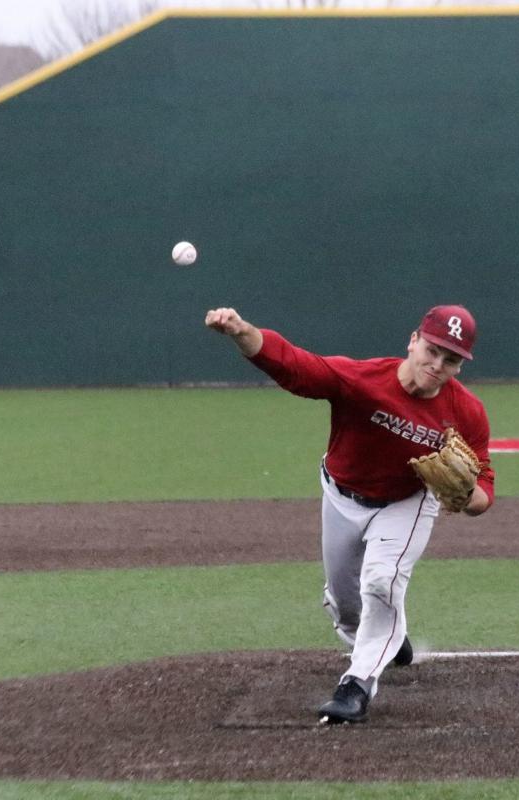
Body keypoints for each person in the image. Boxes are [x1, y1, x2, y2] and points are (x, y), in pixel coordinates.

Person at [205, 303, 496, 724]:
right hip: (342, 495)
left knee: (382, 581)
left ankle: (356, 685)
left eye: (450, 359)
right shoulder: (362, 380)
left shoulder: (467, 412)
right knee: (346, 605)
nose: (437, 365)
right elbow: (293, 365)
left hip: (406, 503)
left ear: (460, 365)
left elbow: (484, 489)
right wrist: (240, 331)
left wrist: (466, 495)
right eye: (432, 350)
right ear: (413, 341)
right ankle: (389, 640)